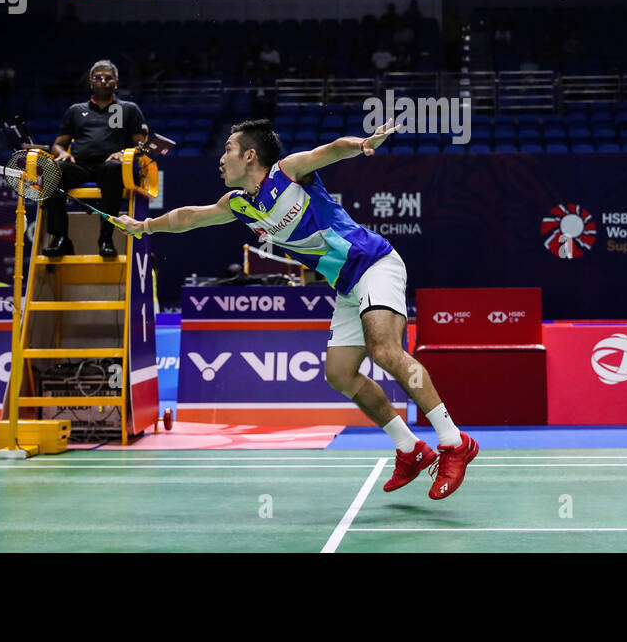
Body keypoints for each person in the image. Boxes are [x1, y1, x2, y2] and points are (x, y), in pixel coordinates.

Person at [117, 118, 479, 500]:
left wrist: (361, 145)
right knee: (340, 374)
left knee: (385, 351)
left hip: (373, 263)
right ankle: (410, 448)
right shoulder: (240, 204)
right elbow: (190, 217)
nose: (221, 159)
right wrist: (145, 226)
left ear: (250, 155)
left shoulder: (287, 173)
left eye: (228, 150)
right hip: (346, 284)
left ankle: (454, 441)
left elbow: (329, 151)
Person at [43, 60, 148, 259]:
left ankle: (106, 239)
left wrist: (124, 153)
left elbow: (141, 146)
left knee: (113, 169)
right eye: (98, 77)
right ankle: (60, 238)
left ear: (116, 83)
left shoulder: (129, 109)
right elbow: (58, 144)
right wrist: (62, 153)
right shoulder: (75, 110)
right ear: (90, 82)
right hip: (80, 166)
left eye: (108, 78)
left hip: (110, 166)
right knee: (52, 170)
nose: (103, 81)